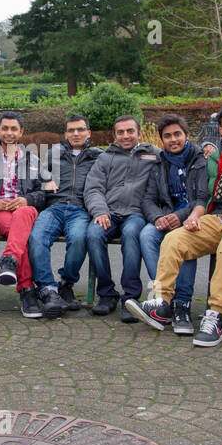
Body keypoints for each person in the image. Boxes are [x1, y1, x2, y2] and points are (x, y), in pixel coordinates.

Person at [126, 104, 222, 347]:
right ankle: (161, 303)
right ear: (220, 130)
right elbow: (204, 198)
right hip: (216, 218)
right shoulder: (216, 159)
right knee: (174, 239)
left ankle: (215, 315)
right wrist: (194, 216)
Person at [138, 114, 209, 335]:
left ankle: (182, 304)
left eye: (177, 134)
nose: (173, 139)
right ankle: (161, 298)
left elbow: (202, 197)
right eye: (167, 136)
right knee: (147, 235)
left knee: (183, 239)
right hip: (166, 216)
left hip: (194, 217)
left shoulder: (200, 159)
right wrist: (157, 217)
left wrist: (179, 217)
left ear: (186, 135)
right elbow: (148, 199)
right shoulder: (159, 163)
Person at [0, 111, 47, 317]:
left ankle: (9, 262)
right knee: (20, 232)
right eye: (4, 128)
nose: (9, 132)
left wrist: (27, 200)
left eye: (14, 128)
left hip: (25, 210)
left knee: (23, 214)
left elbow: (43, 193)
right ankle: (26, 290)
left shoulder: (33, 160)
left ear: (21, 132)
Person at [27, 114, 101, 319]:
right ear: (65, 133)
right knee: (37, 237)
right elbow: (35, 176)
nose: (75, 134)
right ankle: (48, 289)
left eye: (80, 130)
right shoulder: (54, 153)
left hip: (80, 209)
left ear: (88, 132)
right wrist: (45, 181)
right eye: (71, 130)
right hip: (54, 207)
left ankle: (66, 283)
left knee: (79, 239)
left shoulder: (98, 156)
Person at [85, 115, 158, 319]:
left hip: (136, 213)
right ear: (114, 135)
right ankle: (107, 293)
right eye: (120, 132)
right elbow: (93, 188)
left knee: (132, 234)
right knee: (92, 234)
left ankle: (131, 297)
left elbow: (182, 154)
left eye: (130, 131)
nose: (125, 136)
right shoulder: (106, 157)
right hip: (109, 212)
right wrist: (100, 211)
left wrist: (206, 146)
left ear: (139, 133)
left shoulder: (154, 155)